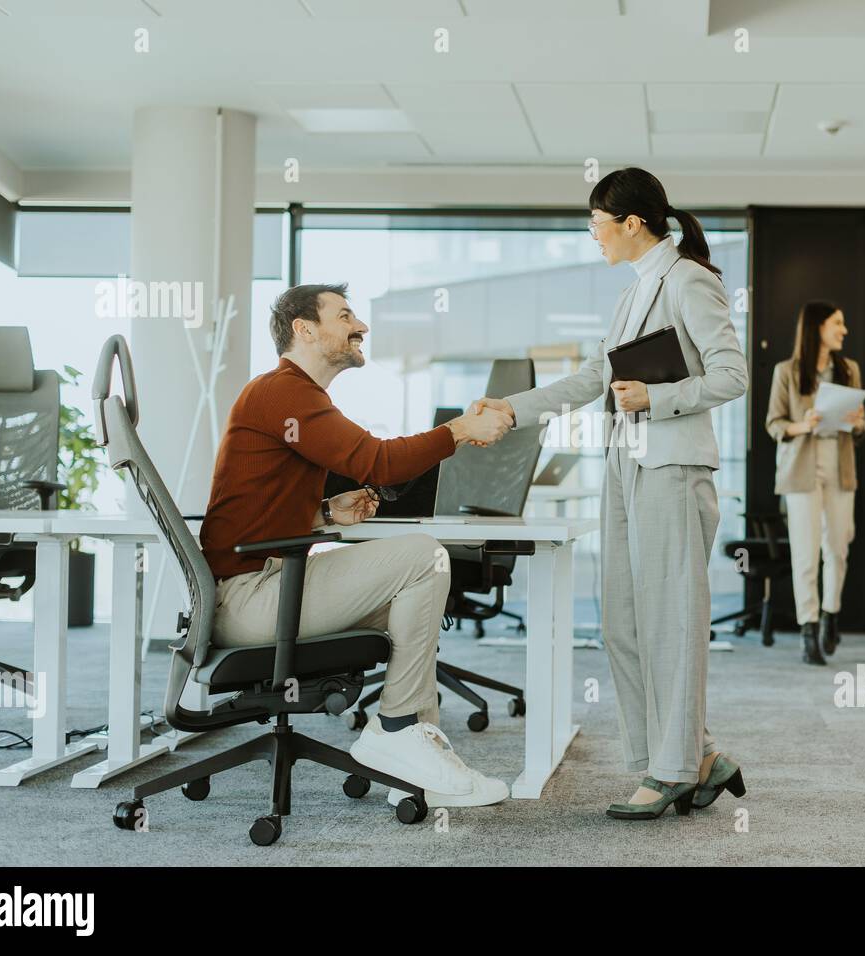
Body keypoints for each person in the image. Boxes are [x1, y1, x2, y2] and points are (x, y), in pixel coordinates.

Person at [473, 168, 748, 819]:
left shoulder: (690, 281)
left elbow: (732, 374)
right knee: (624, 620)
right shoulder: (632, 295)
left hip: (675, 468)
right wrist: (512, 409)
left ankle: (675, 769)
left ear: (632, 222)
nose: (592, 235)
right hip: (625, 463)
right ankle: (695, 754)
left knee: (671, 622)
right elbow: (595, 375)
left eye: (598, 223)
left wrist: (658, 397)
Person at [199, 283, 515, 807]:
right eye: (344, 315)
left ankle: (415, 748)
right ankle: (393, 730)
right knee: (422, 555)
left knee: (412, 604)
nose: (360, 326)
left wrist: (325, 512)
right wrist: (458, 429)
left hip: (262, 590)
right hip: (249, 599)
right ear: (304, 329)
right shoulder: (284, 391)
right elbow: (378, 462)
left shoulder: (295, 397)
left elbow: (260, 507)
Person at [765, 301, 865, 666]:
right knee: (805, 553)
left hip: (839, 466)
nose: (844, 330)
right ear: (817, 327)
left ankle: (831, 614)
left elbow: (861, 426)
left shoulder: (848, 369)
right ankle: (808, 628)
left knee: (837, 547)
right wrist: (802, 425)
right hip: (801, 468)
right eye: (838, 323)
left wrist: (856, 422)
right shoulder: (787, 372)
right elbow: (774, 424)